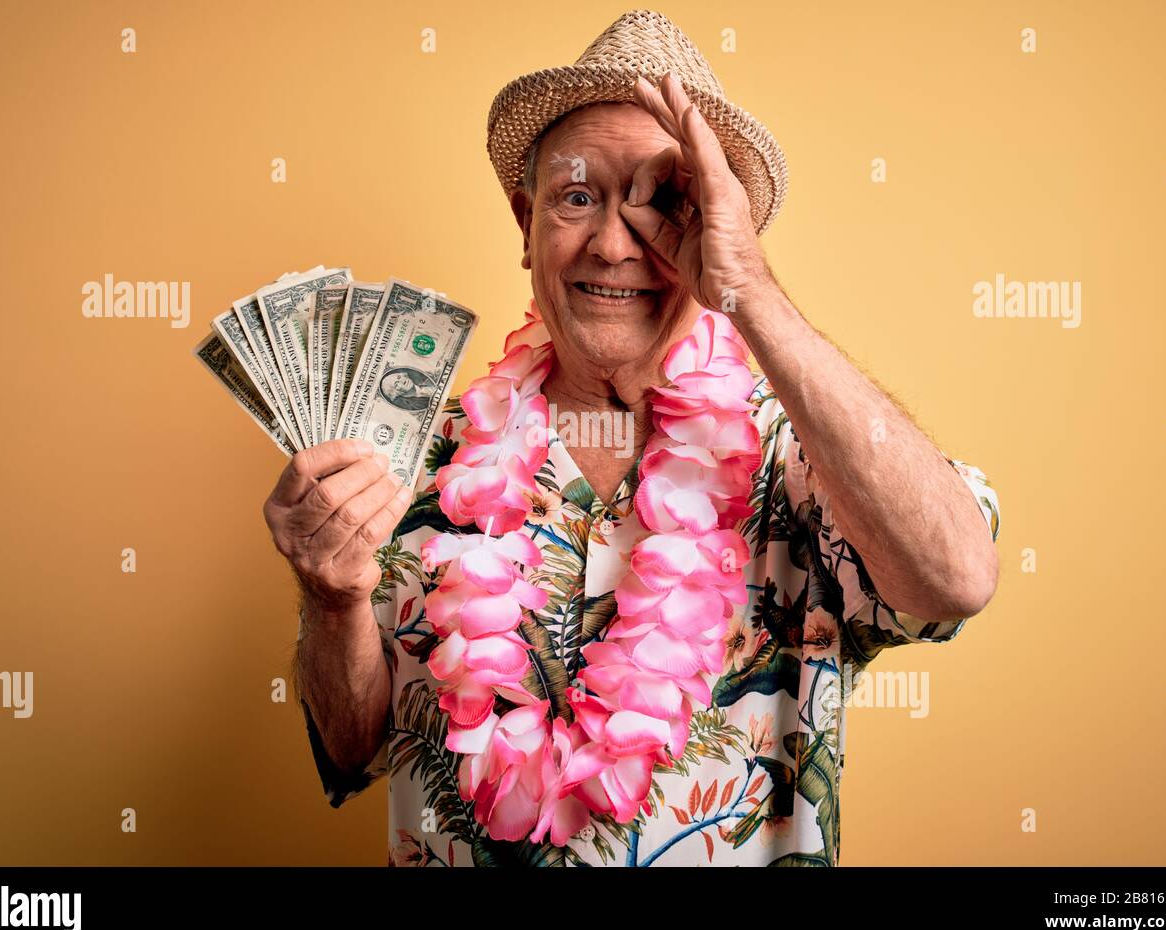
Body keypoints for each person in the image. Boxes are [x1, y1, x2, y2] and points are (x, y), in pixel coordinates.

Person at [262, 10, 1000, 866]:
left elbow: (957, 576)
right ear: (523, 221)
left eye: (665, 203)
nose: (614, 244)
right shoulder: (413, 459)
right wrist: (332, 598)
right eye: (577, 197)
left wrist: (750, 290)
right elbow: (354, 746)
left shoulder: (805, 461)